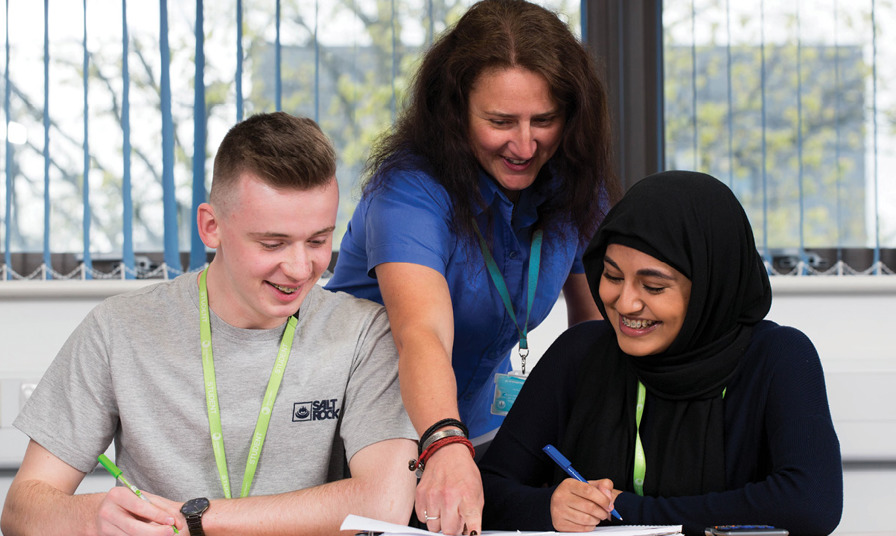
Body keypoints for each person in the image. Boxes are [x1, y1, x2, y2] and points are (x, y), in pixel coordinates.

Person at [0, 112, 417, 536]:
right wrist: (92, 516)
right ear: (211, 227)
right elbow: (20, 511)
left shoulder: (364, 333)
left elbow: (383, 502)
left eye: (318, 240)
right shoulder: (118, 329)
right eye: (272, 243)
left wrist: (194, 519)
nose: (299, 267)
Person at [325, 1, 620, 533]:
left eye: (545, 120)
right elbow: (422, 333)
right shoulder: (408, 191)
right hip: (372, 436)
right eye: (500, 121)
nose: (526, 144)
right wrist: (444, 441)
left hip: (478, 426)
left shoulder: (573, 184)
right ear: (455, 112)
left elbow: (597, 332)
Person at [478, 171, 843, 536]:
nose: (626, 303)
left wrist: (627, 510)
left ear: (708, 287)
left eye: (653, 286)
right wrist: (550, 507)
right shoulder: (580, 352)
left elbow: (810, 504)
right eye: (613, 276)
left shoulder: (778, 357)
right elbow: (487, 489)